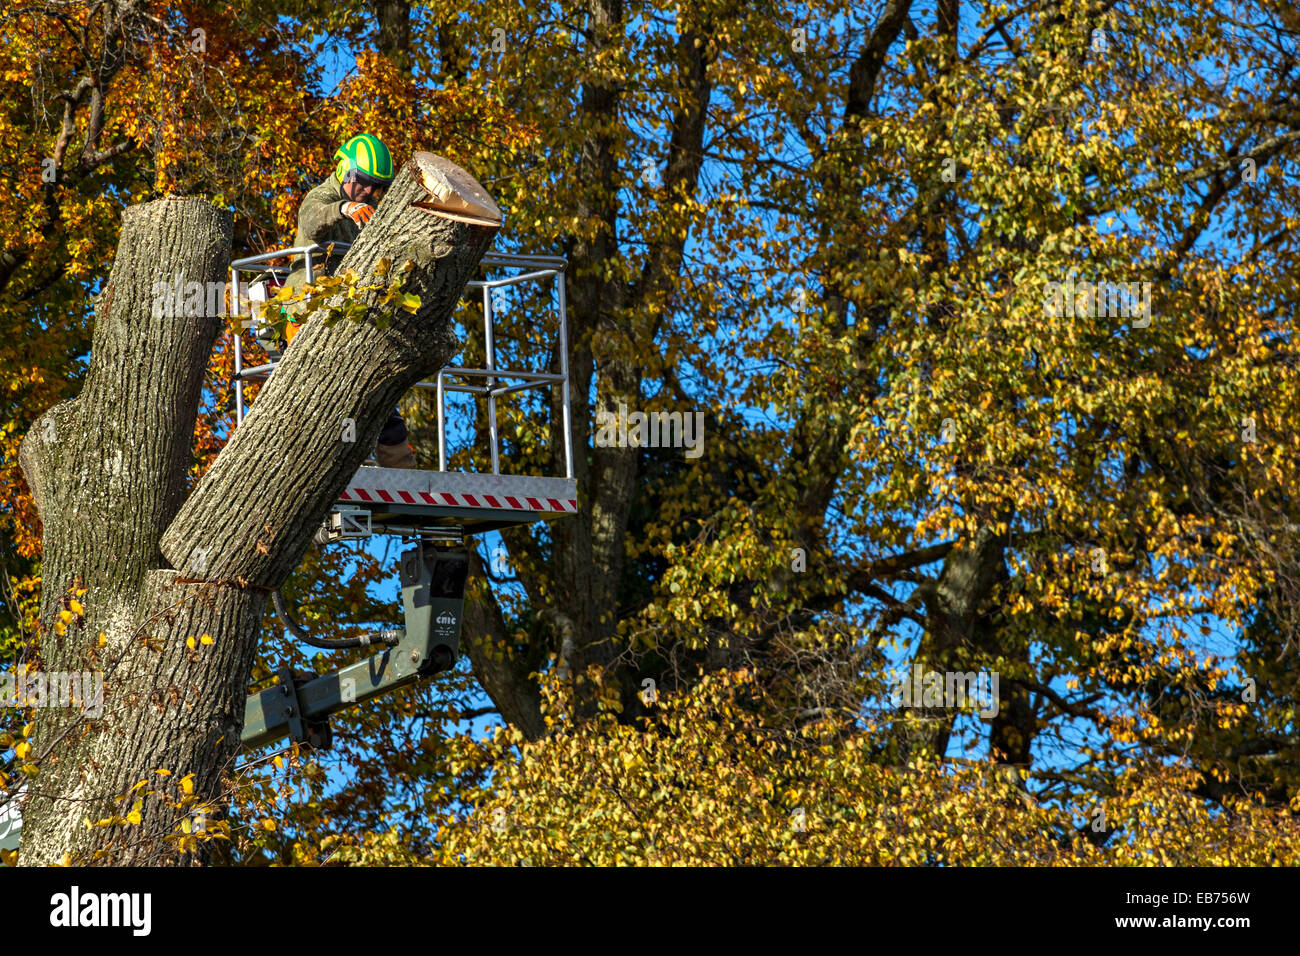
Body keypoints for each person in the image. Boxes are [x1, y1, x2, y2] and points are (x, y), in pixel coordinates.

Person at [281, 134, 416, 469]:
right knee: (321, 394)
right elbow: (310, 222)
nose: (370, 193)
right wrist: (343, 209)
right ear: (345, 171)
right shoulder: (324, 197)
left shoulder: (370, 210)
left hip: (348, 318)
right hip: (306, 315)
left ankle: (403, 471)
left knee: (379, 393)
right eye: (366, 183)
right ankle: (316, 463)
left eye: (378, 187)